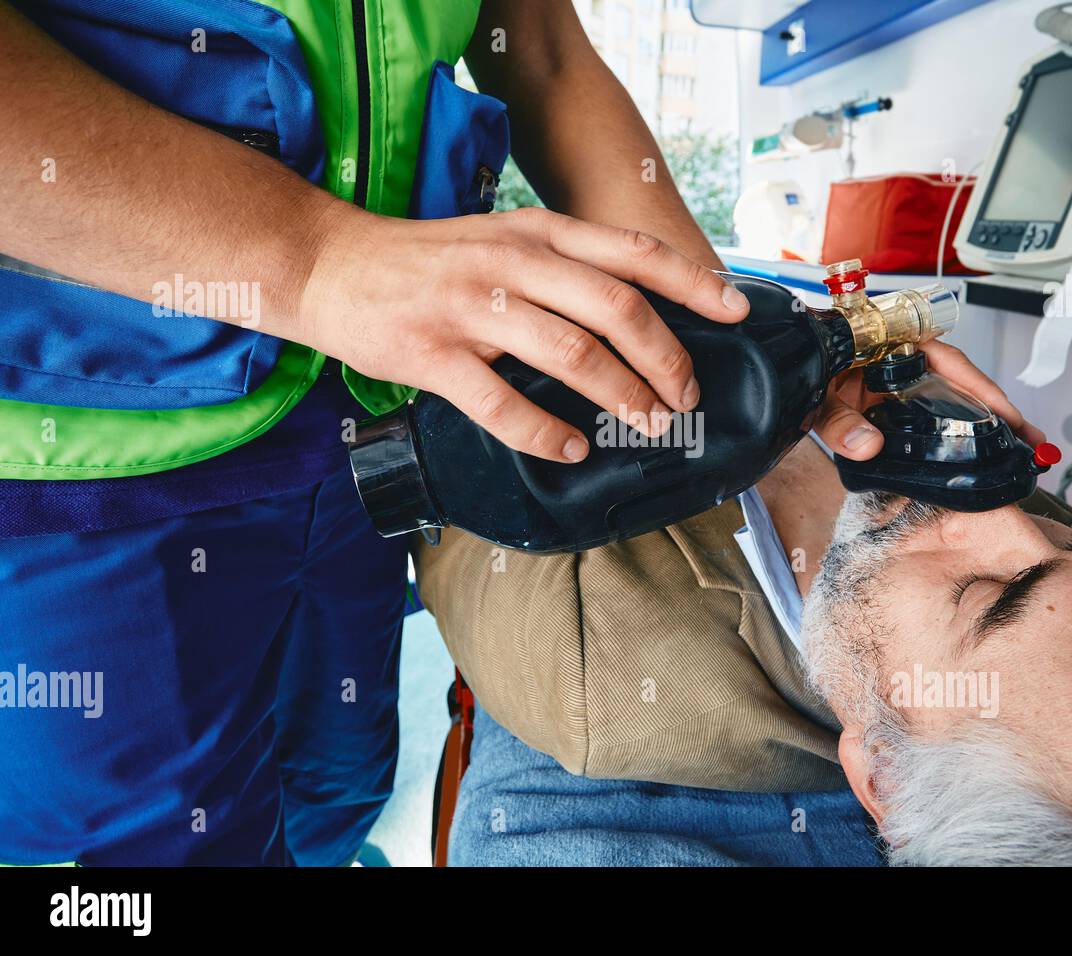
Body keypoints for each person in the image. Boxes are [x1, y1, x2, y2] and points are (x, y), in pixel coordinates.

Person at [0, 0, 882, 866]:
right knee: (147, 844)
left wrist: (732, 350)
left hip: (373, 412)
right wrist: (309, 259)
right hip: (94, 448)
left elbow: (542, 57)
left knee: (338, 775)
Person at [419, 354, 1072, 865]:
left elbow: (443, 495)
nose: (1007, 508)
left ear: (878, 772)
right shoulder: (1028, 578)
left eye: (990, 596)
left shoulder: (588, 666)